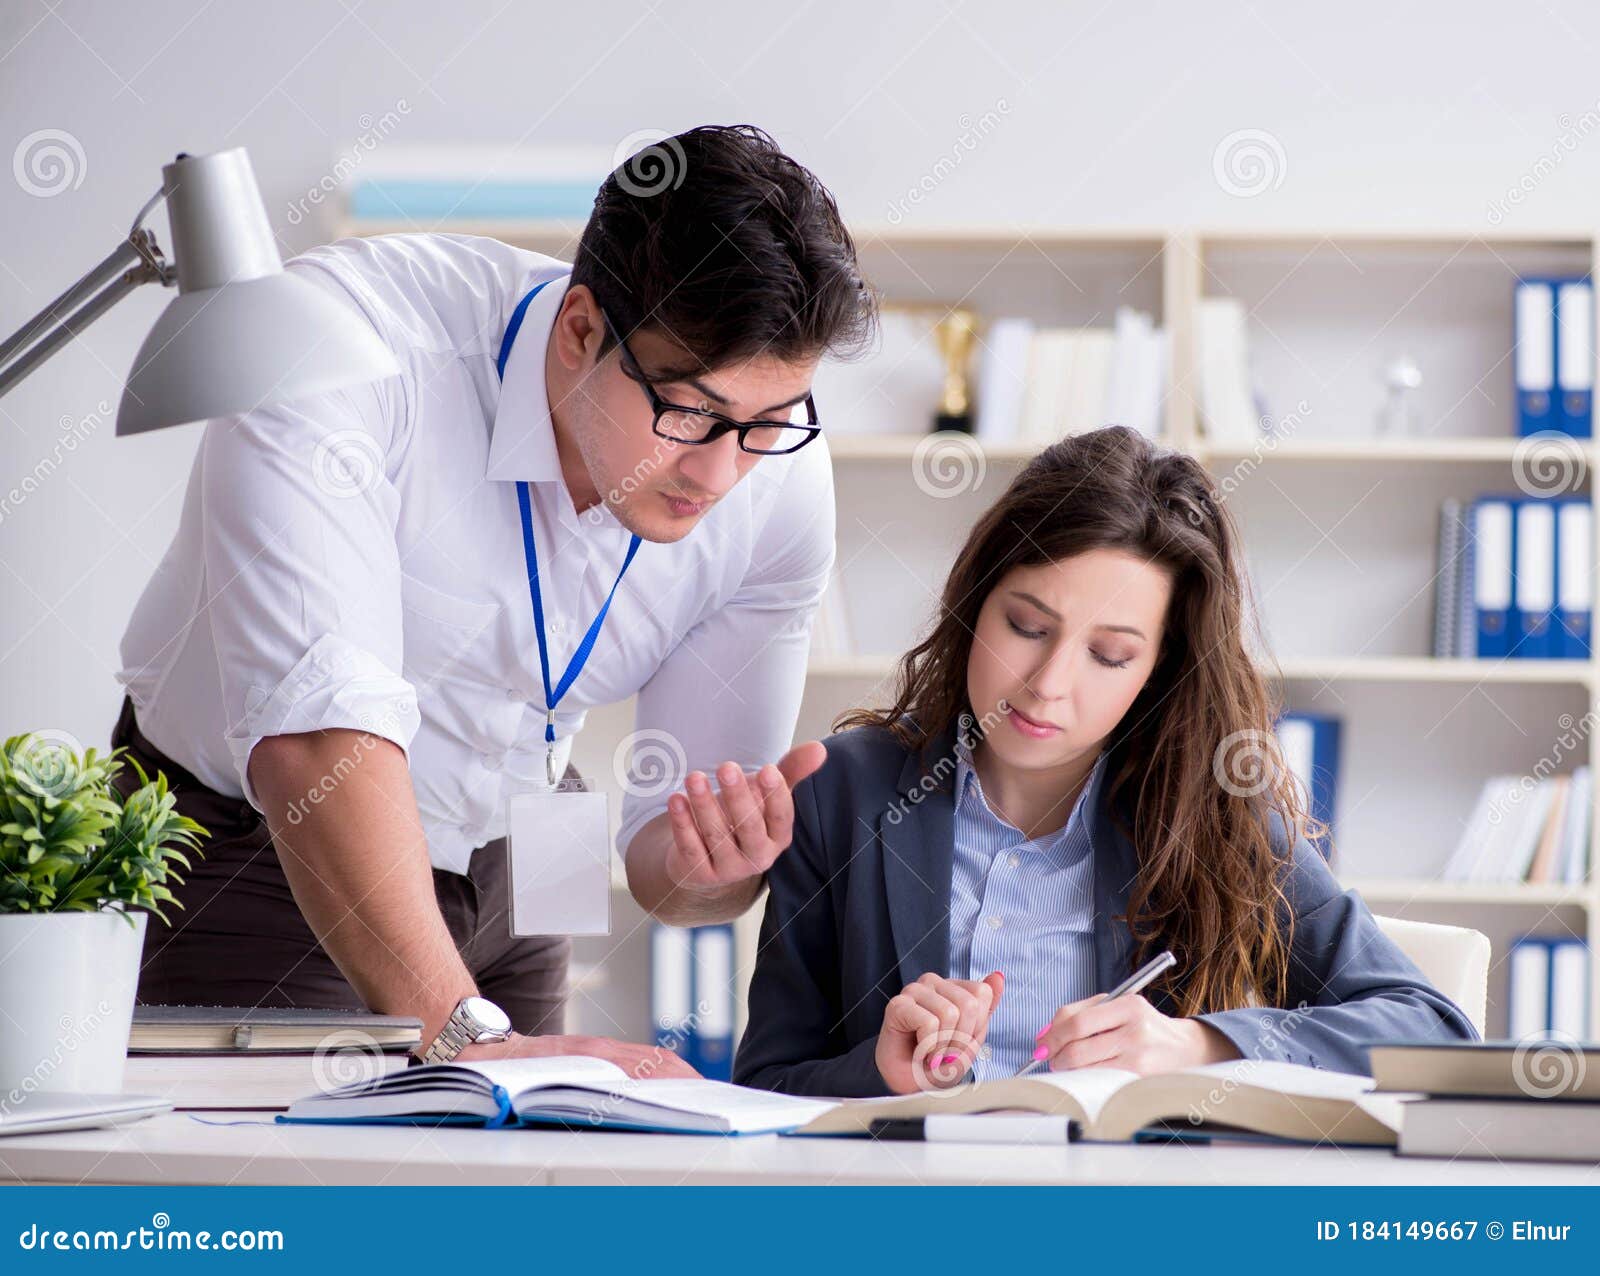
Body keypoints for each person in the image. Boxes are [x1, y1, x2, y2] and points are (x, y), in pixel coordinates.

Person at [112, 125, 875, 1072]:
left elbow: (663, 867)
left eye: (766, 424)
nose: (722, 473)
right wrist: (466, 1033)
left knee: (519, 1181)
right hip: (263, 843)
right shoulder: (339, 348)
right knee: (299, 1195)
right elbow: (312, 737)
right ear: (581, 329)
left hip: (525, 843)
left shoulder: (778, 478)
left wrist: (706, 871)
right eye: (690, 411)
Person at [733, 426, 1478, 1097]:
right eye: (1026, 626)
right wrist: (881, 1071)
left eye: (1110, 655)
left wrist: (1199, 1044)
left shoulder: (1211, 812)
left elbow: (1431, 1028)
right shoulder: (842, 793)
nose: (1048, 685)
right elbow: (766, 1080)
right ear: (974, 601)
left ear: (1157, 671)